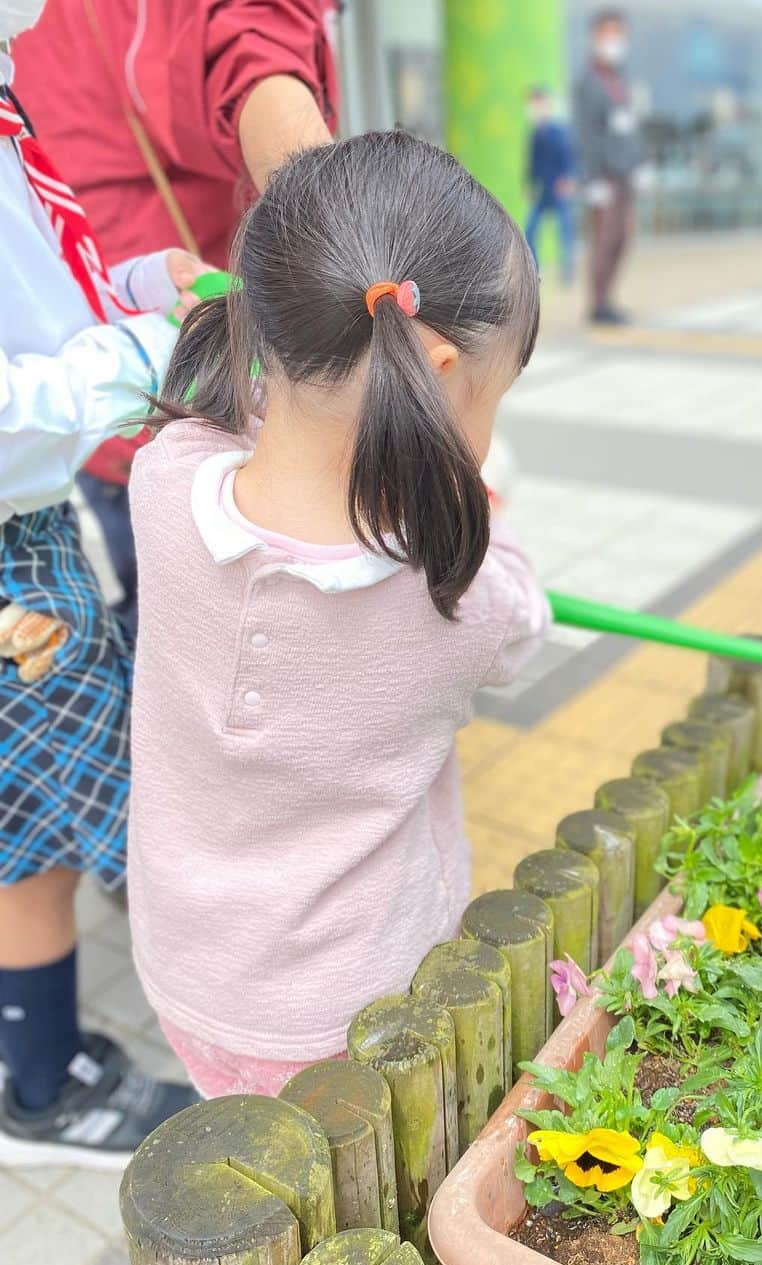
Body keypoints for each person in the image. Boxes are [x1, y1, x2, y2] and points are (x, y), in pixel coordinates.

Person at [126, 131, 550, 1098]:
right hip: (361, 1012)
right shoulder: (454, 592)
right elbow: (525, 619)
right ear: (438, 369)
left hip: (187, 978)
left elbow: (227, 417)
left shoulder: (164, 479)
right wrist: (484, 500)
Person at [0, 3, 200, 1167]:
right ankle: (40, 1080)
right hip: (12, 538)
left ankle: (38, 1050)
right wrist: (138, 355)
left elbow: (30, 301)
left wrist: (126, 287)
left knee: (39, 803)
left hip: (33, 520)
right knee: (37, 817)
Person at [14, 0, 339, 637]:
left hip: (112, 414)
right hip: (165, 416)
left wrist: (136, 292)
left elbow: (254, 53)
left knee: (163, 639)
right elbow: (254, 51)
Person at [574, 7, 643, 324]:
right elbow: (585, 134)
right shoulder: (589, 82)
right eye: (608, 34)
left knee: (622, 239)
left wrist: (639, 164)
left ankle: (609, 298)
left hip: (624, 173)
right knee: (604, 240)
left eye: (619, 35)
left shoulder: (620, 78)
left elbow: (630, 128)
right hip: (604, 176)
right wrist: (592, 181)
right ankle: (598, 304)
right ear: (596, 37)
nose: (614, 41)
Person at [524, 86, 576, 284]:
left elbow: (569, 156)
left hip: (558, 188)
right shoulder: (535, 133)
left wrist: (569, 178)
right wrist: (529, 184)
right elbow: (532, 162)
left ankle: (568, 272)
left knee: (565, 232)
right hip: (542, 191)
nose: (534, 108)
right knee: (530, 230)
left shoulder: (558, 131)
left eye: (538, 103)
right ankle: (535, 270)